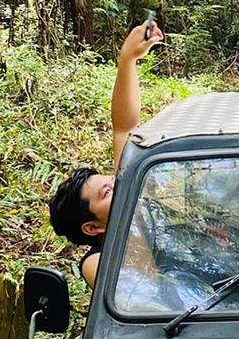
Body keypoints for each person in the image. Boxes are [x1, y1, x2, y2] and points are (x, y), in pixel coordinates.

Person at [48, 19, 164, 287]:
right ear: (92, 228)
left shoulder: (143, 205)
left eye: (110, 181)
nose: (117, 184)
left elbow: (125, 128)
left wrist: (128, 60)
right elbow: (147, 298)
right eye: (106, 192)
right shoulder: (96, 262)